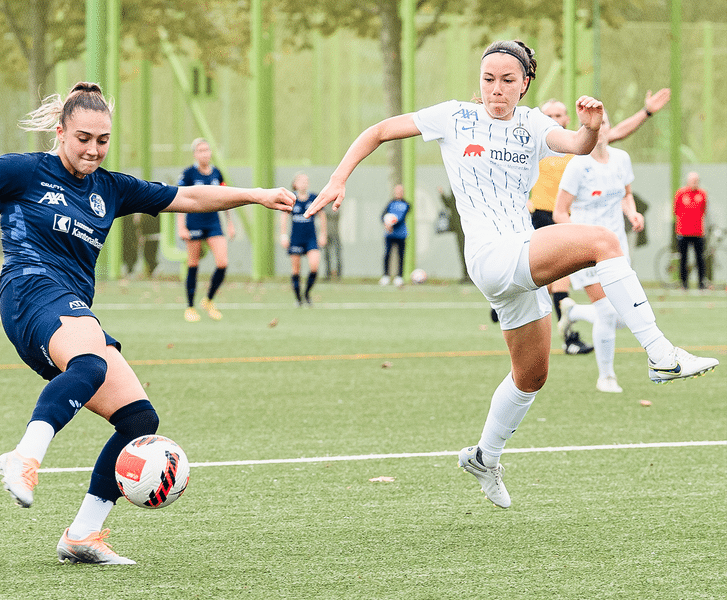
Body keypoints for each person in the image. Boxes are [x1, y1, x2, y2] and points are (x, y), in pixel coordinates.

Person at [0, 82, 295, 565]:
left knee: (139, 419)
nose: (93, 149)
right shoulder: (21, 170)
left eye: (102, 140)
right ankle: (25, 456)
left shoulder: (112, 188)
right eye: (83, 138)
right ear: (60, 132)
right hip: (28, 290)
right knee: (91, 362)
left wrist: (256, 194)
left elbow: (191, 197)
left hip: (69, 307)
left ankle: (83, 534)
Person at [304, 40, 718, 510]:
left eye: (506, 80)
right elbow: (378, 130)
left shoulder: (535, 124)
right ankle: (660, 353)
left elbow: (578, 146)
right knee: (603, 242)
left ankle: (484, 457)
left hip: (519, 253)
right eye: (487, 79)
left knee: (531, 376)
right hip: (491, 254)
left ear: (524, 85)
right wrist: (339, 177)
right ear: (478, 82)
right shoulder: (454, 117)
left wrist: (591, 127)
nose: (495, 89)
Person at [528, 90, 671, 354]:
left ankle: (569, 332)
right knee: (541, 280)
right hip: (543, 214)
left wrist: (646, 112)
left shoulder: (576, 142)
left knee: (562, 282)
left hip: (574, 219)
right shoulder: (533, 143)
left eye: (559, 114)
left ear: (568, 117)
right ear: (539, 117)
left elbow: (613, 133)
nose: (555, 119)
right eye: (549, 115)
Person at [553, 111, 645, 394]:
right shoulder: (578, 166)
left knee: (622, 317)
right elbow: (559, 213)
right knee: (607, 311)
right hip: (588, 251)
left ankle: (574, 312)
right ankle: (606, 377)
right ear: (587, 130)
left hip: (617, 249)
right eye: (594, 124)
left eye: (603, 122)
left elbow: (626, 194)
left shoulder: (621, 159)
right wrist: (582, 240)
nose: (600, 128)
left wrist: (633, 213)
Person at [176, 138, 235, 322]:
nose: (205, 153)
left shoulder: (217, 173)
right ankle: (190, 307)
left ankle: (208, 300)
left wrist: (230, 223)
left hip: (213, 223)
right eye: (201, 150)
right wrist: (181, 226)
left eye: (207, 150)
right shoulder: (188, 174)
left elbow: (226, 198)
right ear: (195, 154)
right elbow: (179, 198)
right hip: (194, 222)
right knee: (193, 264)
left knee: (222, 263)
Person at [280, 173, 326, 306]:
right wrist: (283, 235)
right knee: (295, 270)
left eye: (306, 180)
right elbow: (284, 217)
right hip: (296, 238)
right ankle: (298, 298)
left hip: (311, 238)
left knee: (314, 267)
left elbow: (322, 216)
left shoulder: (313, 198)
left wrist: (323, 234)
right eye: (301, 181)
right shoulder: (291, 199)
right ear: (295, 184)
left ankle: (306, 293)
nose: (304, 183)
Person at [673, 172, 708, 290]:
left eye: (696, 180)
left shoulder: (702, 194)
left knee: (700, 259)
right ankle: (684, 283)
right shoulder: (681, 193)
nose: (694, 182)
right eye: (692, 180)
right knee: (683, 259)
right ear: (688, 181)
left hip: (698, 233)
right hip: (683, 232)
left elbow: (703, 210)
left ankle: (701, 283)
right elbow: (676, 210)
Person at [379, 184, 410, 287]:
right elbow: (382, 215)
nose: (398, 193)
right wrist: (385, 223)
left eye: (400, 191)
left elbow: (401, 219)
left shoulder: (407, 205)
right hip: (389, 235)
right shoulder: (390, 204)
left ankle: (399, 276)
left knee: (400, 255)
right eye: (397, 191)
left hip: (401, 235)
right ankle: (386, 276)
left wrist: (391, 225)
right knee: (387, 254)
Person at [322, 200, 342, 281]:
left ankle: (339, 274)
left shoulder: (337, 204)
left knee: (337, 254)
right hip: (326, 233)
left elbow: (334, 213)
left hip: (335, 233)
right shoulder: (325, 204)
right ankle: (328, 274)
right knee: (327, 255)